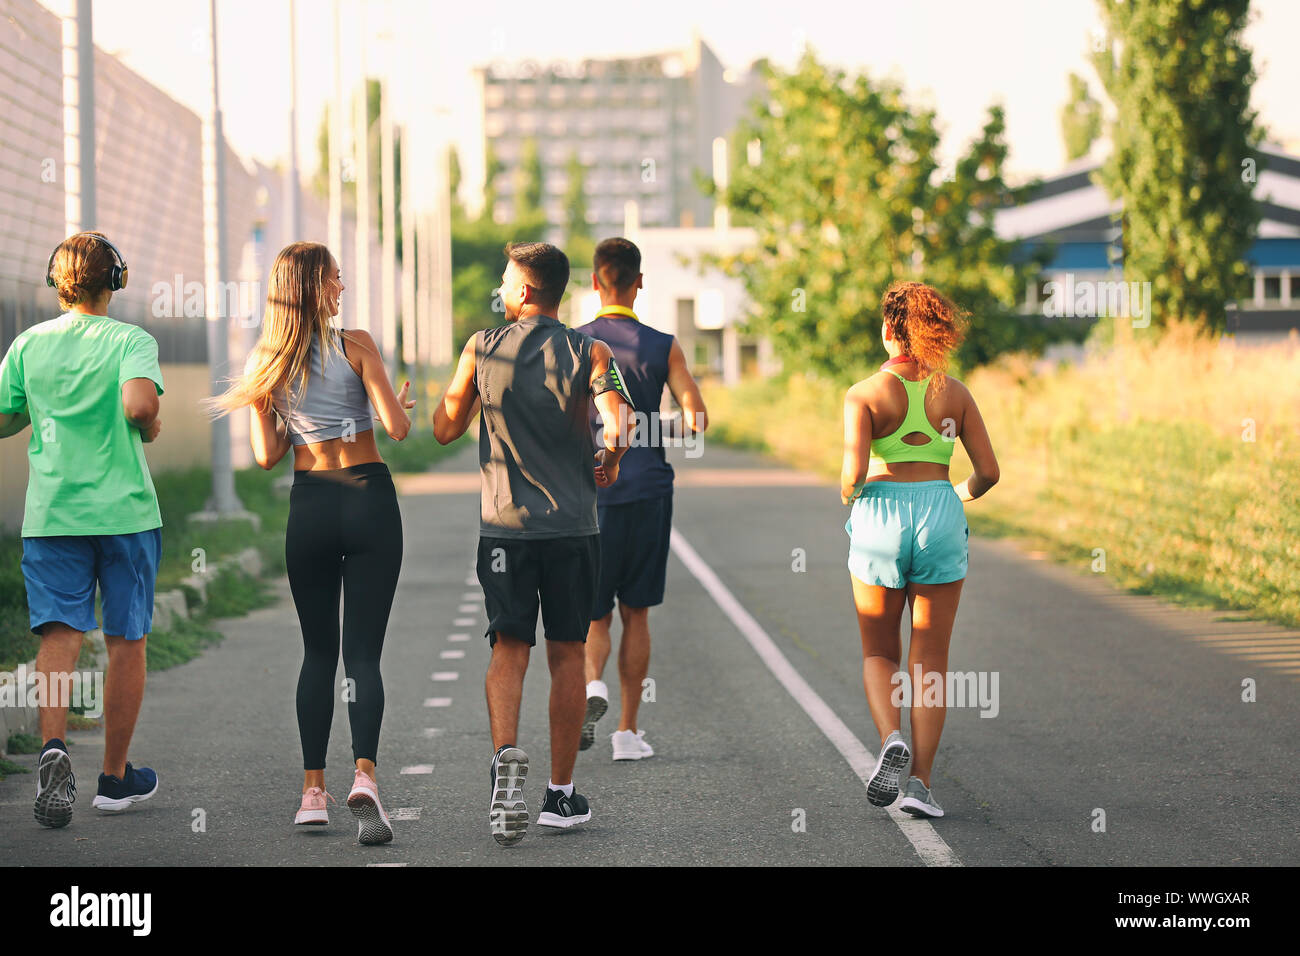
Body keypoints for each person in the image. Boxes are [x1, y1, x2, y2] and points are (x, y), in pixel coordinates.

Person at [208, 241, 413, 845]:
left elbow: (269, 456)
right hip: (370, 499)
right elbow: (398, 430)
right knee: (365, 656)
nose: (343, 289)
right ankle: (367, 777)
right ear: (316, 287)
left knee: (318, 653)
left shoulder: (267, 361)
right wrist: (393, 407)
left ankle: (312, 793)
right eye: (336, 279)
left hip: (312, 504)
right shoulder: (358, 344)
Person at [433, 241, 632, 846]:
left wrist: (480, 403)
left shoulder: (480, 347)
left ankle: (504, 763)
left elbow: (443, 429)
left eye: (504, 279)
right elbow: (619, 424)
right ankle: (561, 795)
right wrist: (610, 458)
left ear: (522, 291)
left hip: (505, 532)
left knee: (509, 648)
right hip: (573, 529)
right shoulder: (592, 350)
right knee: (568, 653)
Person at [0, 232, 163, 827]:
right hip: (124, 516)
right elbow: (140, 407)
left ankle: (52, 748)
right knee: (126, 638)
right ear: (113, 282)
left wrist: (37, 412)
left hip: (52, 516)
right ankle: (115, 779)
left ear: (56, 282)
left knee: (59, 634)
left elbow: (2, 416)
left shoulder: (28, 344)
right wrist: (149, 427)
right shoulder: (130, 340)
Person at [841, 281, 999, 818]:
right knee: (929, 659)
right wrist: (955, 495)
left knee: (879, 652)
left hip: (881, 514)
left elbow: (852, 474)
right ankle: (922, 786)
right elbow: (989, 472)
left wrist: (850, 496)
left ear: (888, 330)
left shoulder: (863, 393)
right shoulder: (953, 392)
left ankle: (890, 739)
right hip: (939, 512)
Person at [573, 237, 708, 760]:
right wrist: (650, 426)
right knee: (638, 612)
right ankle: (627, 733)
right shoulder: (662, 344)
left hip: (589, 492)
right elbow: (696, 420)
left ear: (593, 283)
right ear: (640, 282)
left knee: (593, 615)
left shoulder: (575, 342)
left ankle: (591, 687)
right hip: (648, 489)